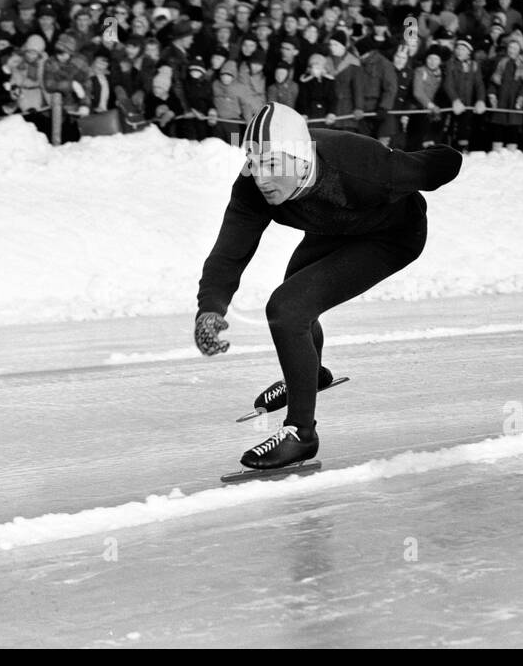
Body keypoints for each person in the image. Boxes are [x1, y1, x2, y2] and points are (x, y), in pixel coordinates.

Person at [194, 102, 463, 472]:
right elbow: (230, 249)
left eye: (272, 165)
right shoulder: (253, 185)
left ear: (301, 158)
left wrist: (443, 152)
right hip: (335, 229)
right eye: (254, 164)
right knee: (295, 298)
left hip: (391, 237)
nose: (262, 178)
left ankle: (301, 433)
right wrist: (210, 307)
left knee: (287, 308)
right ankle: (310, 374)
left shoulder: (362, 166)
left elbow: (440, 163)